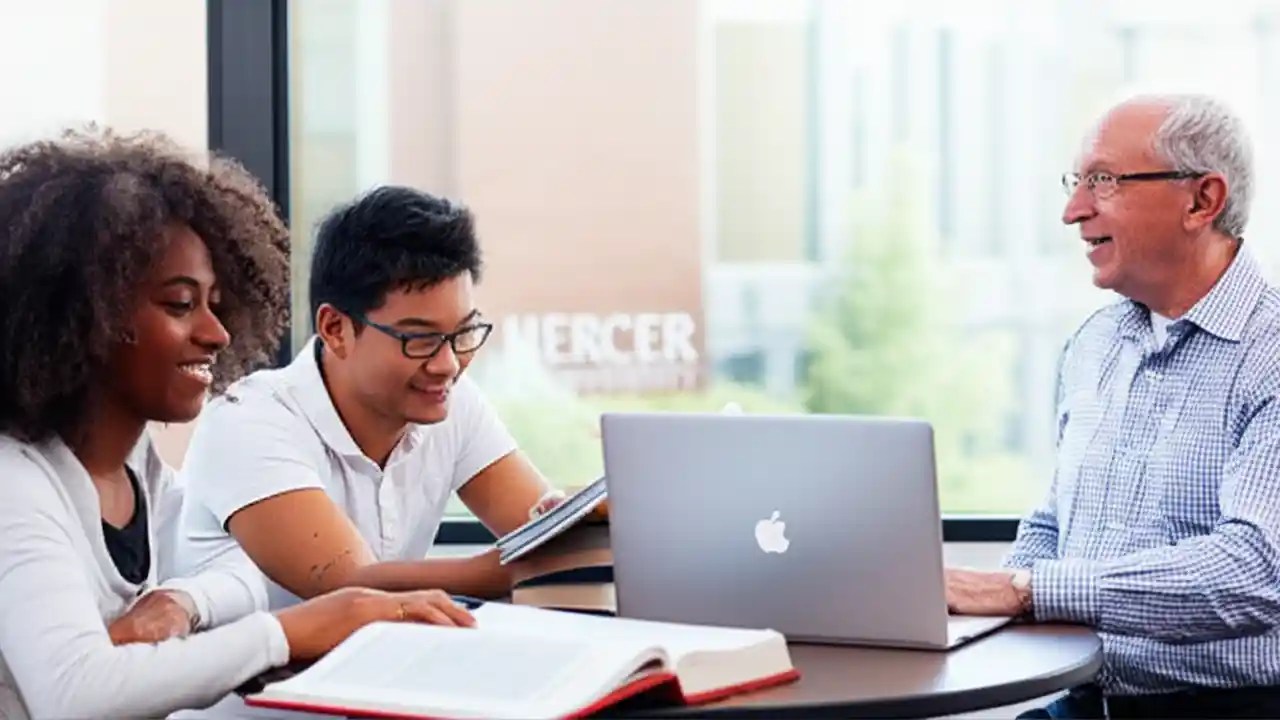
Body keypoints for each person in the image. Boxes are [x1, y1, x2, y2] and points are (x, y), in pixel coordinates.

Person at [0, 129, 475, 720]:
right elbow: (77, 695)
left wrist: (183, 601)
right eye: (181, 305)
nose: (217, 333)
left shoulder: (136, 469)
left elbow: (241, 570)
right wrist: (290, 633)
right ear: (82, 316)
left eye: (217, 306)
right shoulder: (15, 483)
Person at [945, 93, 1280, 718]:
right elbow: (1053, 525)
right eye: (1076, 183)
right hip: (1082, 702)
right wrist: (972, 615)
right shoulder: (1093, 344)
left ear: (1201, 201)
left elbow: (1254, 573)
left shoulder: (1272, 355)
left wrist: (1022, 591)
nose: (1073, 210)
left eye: (1103, 181)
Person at [173, 185, 563, 610]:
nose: (448, 364)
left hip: (378, 650)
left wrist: (580, 532)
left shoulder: (451, 400)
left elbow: (550, 530)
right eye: (419, 339)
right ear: (335, 329)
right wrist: (541, 561)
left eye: (464, 333)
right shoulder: (247, 421)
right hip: (253, 656)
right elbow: (351, 585)